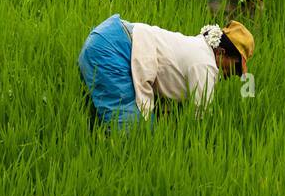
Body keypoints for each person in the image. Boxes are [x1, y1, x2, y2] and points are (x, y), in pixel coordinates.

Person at [77, 15, 254, 131]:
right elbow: (200, 119)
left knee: (137, 121)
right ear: (221, 52)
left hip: (106, 36)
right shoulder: (206, 66)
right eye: (236, 66)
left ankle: (91, 133)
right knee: (135, 134)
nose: (233, 74)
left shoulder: (196, 46)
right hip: (112, 50)